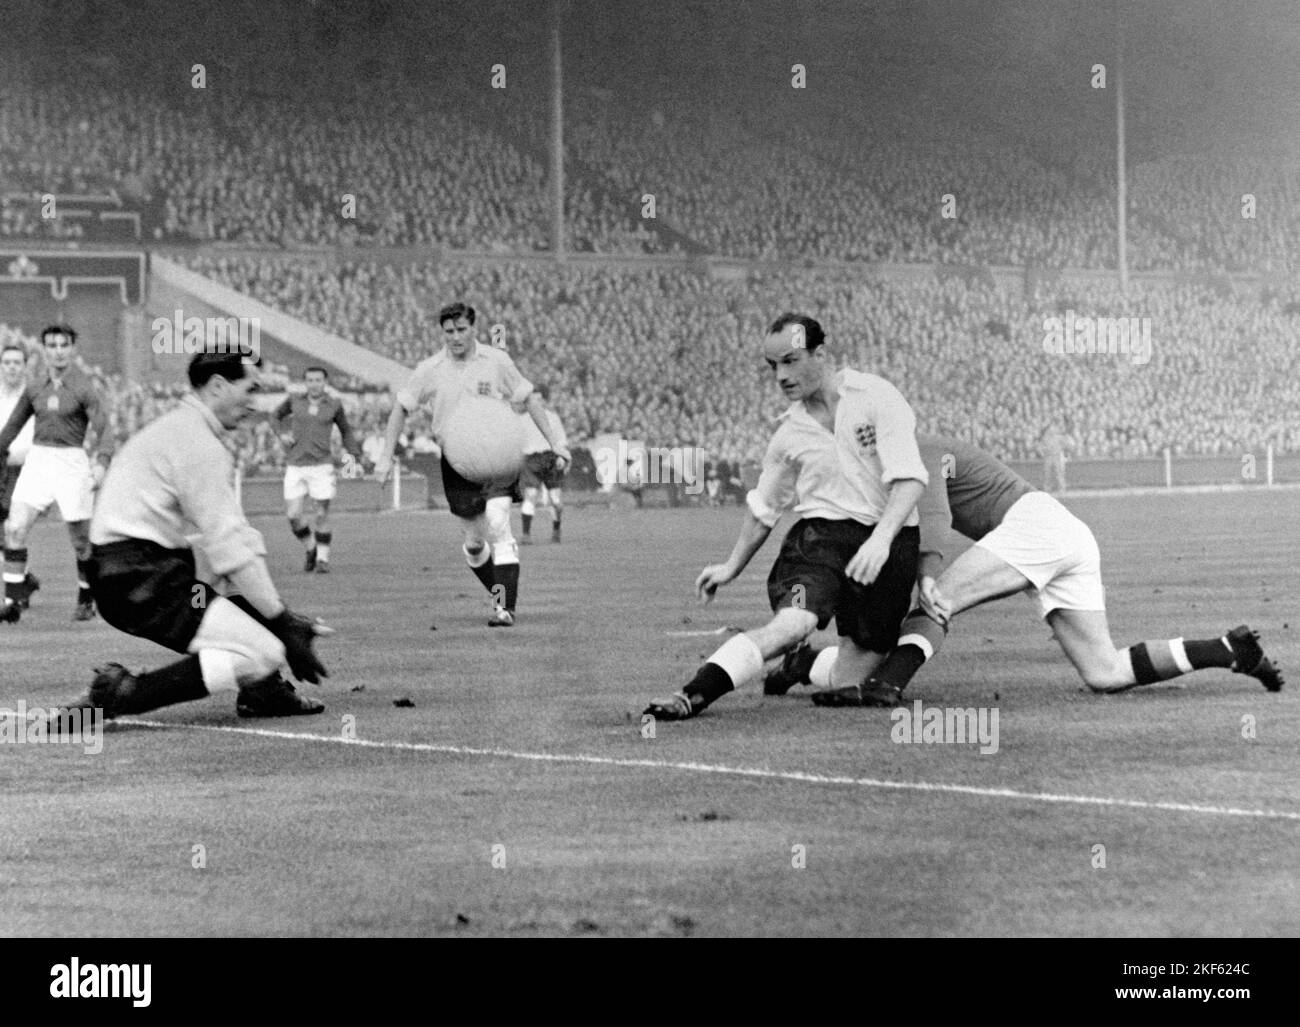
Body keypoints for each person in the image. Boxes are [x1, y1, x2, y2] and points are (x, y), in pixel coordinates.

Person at [787, 435, 1283, 706]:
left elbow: (935, 516)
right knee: (1104, 673)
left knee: (937, 600)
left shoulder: (921, 452)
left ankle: (886, 687)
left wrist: (927, 574)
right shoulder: (901, 471)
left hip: (1038, 527)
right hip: (1066, 537)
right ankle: (1226, 649)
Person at [642, 312, 927, 721]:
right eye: (772, 366)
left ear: (820, 354)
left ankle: (803, 664)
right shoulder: (787, 435)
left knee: (854, 680)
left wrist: (880, 540)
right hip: (821, 540)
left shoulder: (876, 396)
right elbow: (764, 510)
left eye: (790, 361)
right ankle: (692, 694)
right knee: (794, 622)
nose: (780, 375)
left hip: (891, 540)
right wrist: (731, 566)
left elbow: (911, 481)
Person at [52, 347, 330, 720]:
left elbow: (228, 544)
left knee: (223, 599)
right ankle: (122, 693)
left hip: (142, 575)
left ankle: (262, 692)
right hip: (144, 584)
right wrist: (282, 622)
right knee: (263, 652)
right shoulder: (198, 443)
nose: (255, 403)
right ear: (218, 386)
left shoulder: (181, 428)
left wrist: (281, 617)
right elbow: (230, 546)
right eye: (251, 389)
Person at [374, 302, 570, 627]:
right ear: (442, 332)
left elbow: (530, 397)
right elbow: (400, 408)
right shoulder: (429, 369)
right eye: (448, 331)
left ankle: (505, 608)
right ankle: (499, 597)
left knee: (498, 522)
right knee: (474, 542)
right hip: (457, 461)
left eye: (461, 329)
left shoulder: (496, 361)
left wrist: (555, 443)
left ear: (474, 328)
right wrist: (384, 455)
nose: (455, 337)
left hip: (498, 453)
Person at [0, 326, 110, 623]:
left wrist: (101, 462)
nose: (58, 350)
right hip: (38, 459)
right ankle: (12, 602)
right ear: (44, 349)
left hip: (71, 462)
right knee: (15, 528)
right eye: (52, 345)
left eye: (64, 345)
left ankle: (86, 597)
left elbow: (104, 429)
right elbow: (11, 427)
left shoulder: (85, 388)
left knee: (80, 541)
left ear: (73, 349)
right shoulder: (35, 386)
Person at [273, 366, 367, 574]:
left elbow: (346, 432)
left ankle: (323, 559)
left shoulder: (333, 404)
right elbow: (275, 417)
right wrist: (281, 434)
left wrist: (354, 461)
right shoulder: (294, 400)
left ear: (325, 382)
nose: (314, 384)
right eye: (310, 380)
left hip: (322, 466)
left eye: (318, 380)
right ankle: (311, 548)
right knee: (293, 515)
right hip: (295, 465)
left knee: (321, 513)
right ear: (305, 382)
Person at [0, 343, 38, 608]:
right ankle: (23, 581)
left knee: (14, 528)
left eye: (16, 362)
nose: (11, 367)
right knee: (6, 534)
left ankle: (15, 594)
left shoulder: (34, 398)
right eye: (7, 362)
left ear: (25, 366)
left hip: (25, 470)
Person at [518, 384, 568, 544]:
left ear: (544, 400)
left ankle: (556, 530)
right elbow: (517, 442)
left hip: (551, 458)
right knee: (531, 495)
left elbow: (561, 441)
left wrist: (561, 457)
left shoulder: (553, 418)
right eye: (534, 399)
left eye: (539, 399)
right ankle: (526, 535)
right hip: (531, 460)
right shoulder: (523, 419)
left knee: (555, 498)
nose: (536, 403)